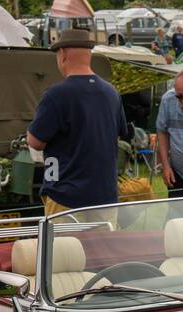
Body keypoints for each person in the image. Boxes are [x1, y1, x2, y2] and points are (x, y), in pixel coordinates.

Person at [27, 29, 128, 215]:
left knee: (64, 245)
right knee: (102, 245)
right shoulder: (111, 92)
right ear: (88, 55)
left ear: (62, 54)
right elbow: (116, 138)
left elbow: (36, 142)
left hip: (65, 198)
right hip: (106, 197)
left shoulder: (56, 95)